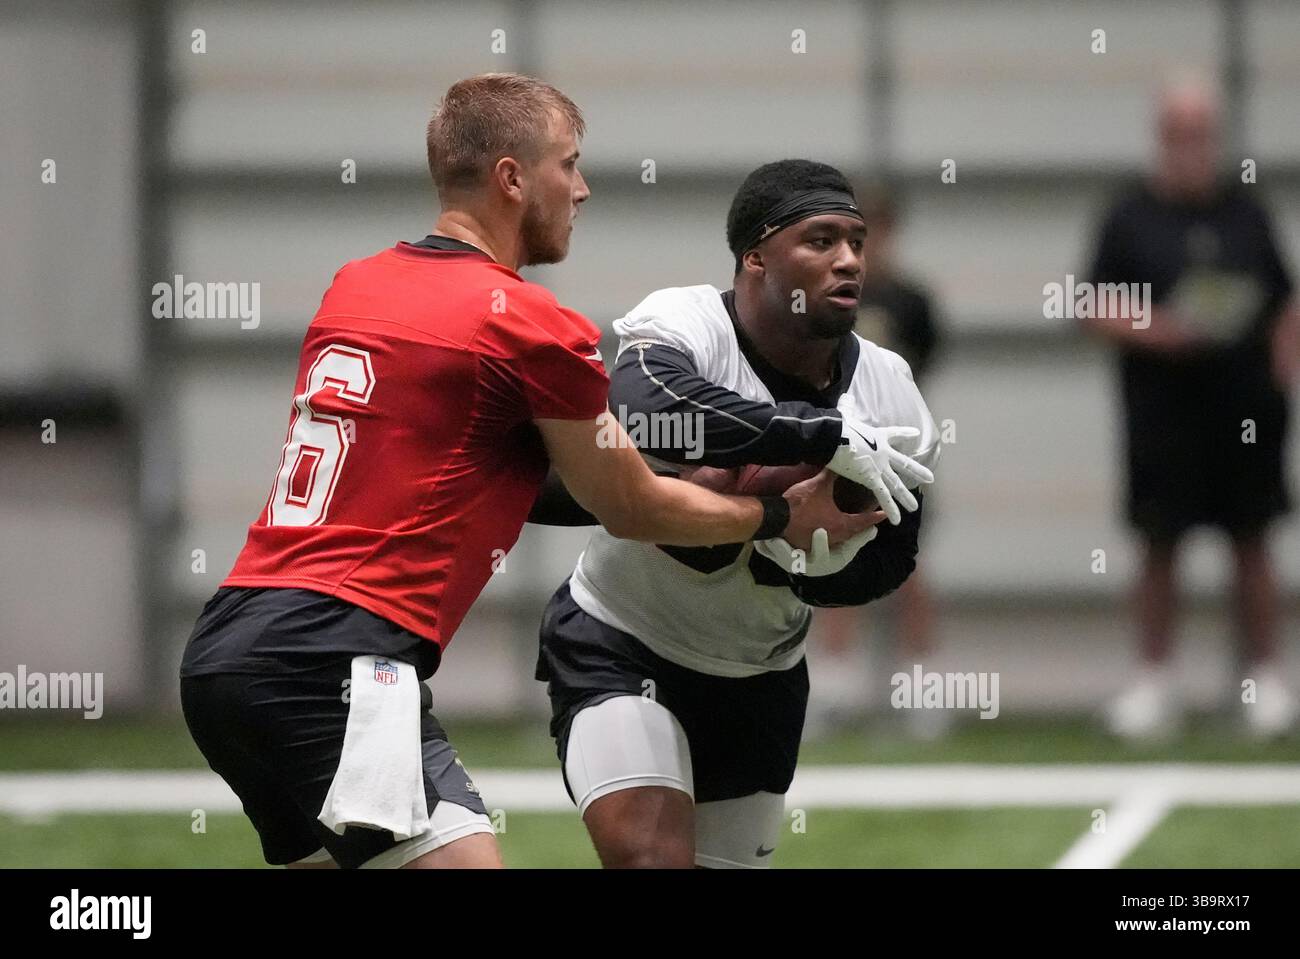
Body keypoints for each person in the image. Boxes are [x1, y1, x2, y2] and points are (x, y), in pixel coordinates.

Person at [177, 77, 900, 871]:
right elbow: (629, 506)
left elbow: (499, 472)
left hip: (226, 649)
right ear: (512, 178)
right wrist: (777, 514)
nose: (581, 188)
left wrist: (671, 472)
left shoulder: (357, 283)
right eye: (569, 164)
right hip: (338, 659)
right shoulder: (529, 324)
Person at [534, 159, 942, 868]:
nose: (849, 259)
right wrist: (813, 441)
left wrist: (805, 556)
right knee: (650, 859)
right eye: (821, 240)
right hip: (623, 636)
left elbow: (893, 554)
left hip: (760, 670)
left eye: (856, 241)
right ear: (756, 255)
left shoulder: (889, 389)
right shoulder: (689, 321)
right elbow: (643, 408)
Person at [1084, 76, 1298, 740]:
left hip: (1245, 410)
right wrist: (1158, 329)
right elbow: (1091, 302)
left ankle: (1263, 680)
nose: (1191, 147)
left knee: (1253, 541)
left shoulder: (1247, 213)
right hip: (1162, 410)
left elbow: (1283, 300)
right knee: (1159, 544)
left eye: (1201, 134)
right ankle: (1154, 681)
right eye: (1179, 134)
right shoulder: (1128, 215)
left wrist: (1284, 370)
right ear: (1161, 137)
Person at [809, 183, 948, 739]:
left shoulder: (910, 301)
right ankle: (833, 689)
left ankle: (924, 690)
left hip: (897, 452)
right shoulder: (822, 297)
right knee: (830, 556)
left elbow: (922, 368)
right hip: (834, 449)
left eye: (870, 236)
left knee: (908, 567)